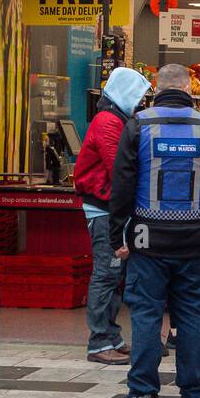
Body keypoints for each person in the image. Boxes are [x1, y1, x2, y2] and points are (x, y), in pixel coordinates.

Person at [108, 64, 200, 398]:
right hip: (192, 237)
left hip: (148, 238)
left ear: (157, 89)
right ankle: (193, 394)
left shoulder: (139, 125)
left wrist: (120, 234)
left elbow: (122, 187)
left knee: (147, 313)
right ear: (188, 87)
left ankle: (143, 395)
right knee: (191, 314)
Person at [69, 65, 150, 364]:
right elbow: (120, 168)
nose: (142, 103)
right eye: (139, 96)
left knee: (115, 274)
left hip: (110, 207)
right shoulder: (108, 122)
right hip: (104, 209)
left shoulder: (116, 119)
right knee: (107, 273)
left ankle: (111, 336)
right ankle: (99, 343)